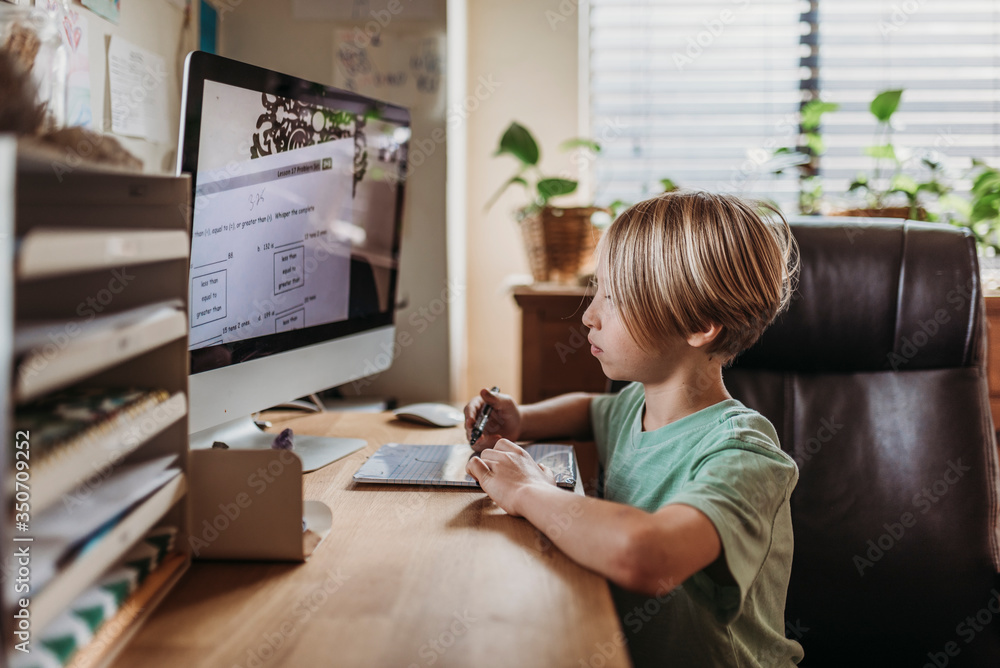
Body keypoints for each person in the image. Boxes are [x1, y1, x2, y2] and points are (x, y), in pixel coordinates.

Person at [463, 190, 803, 667]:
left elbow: (649, 556)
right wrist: (523, 419)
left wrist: (527, 492)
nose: (589, 315)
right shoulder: (635, 408)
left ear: (700, 323)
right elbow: (588, 410)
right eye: (597, 289)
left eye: (614, 297)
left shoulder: (742, 454)